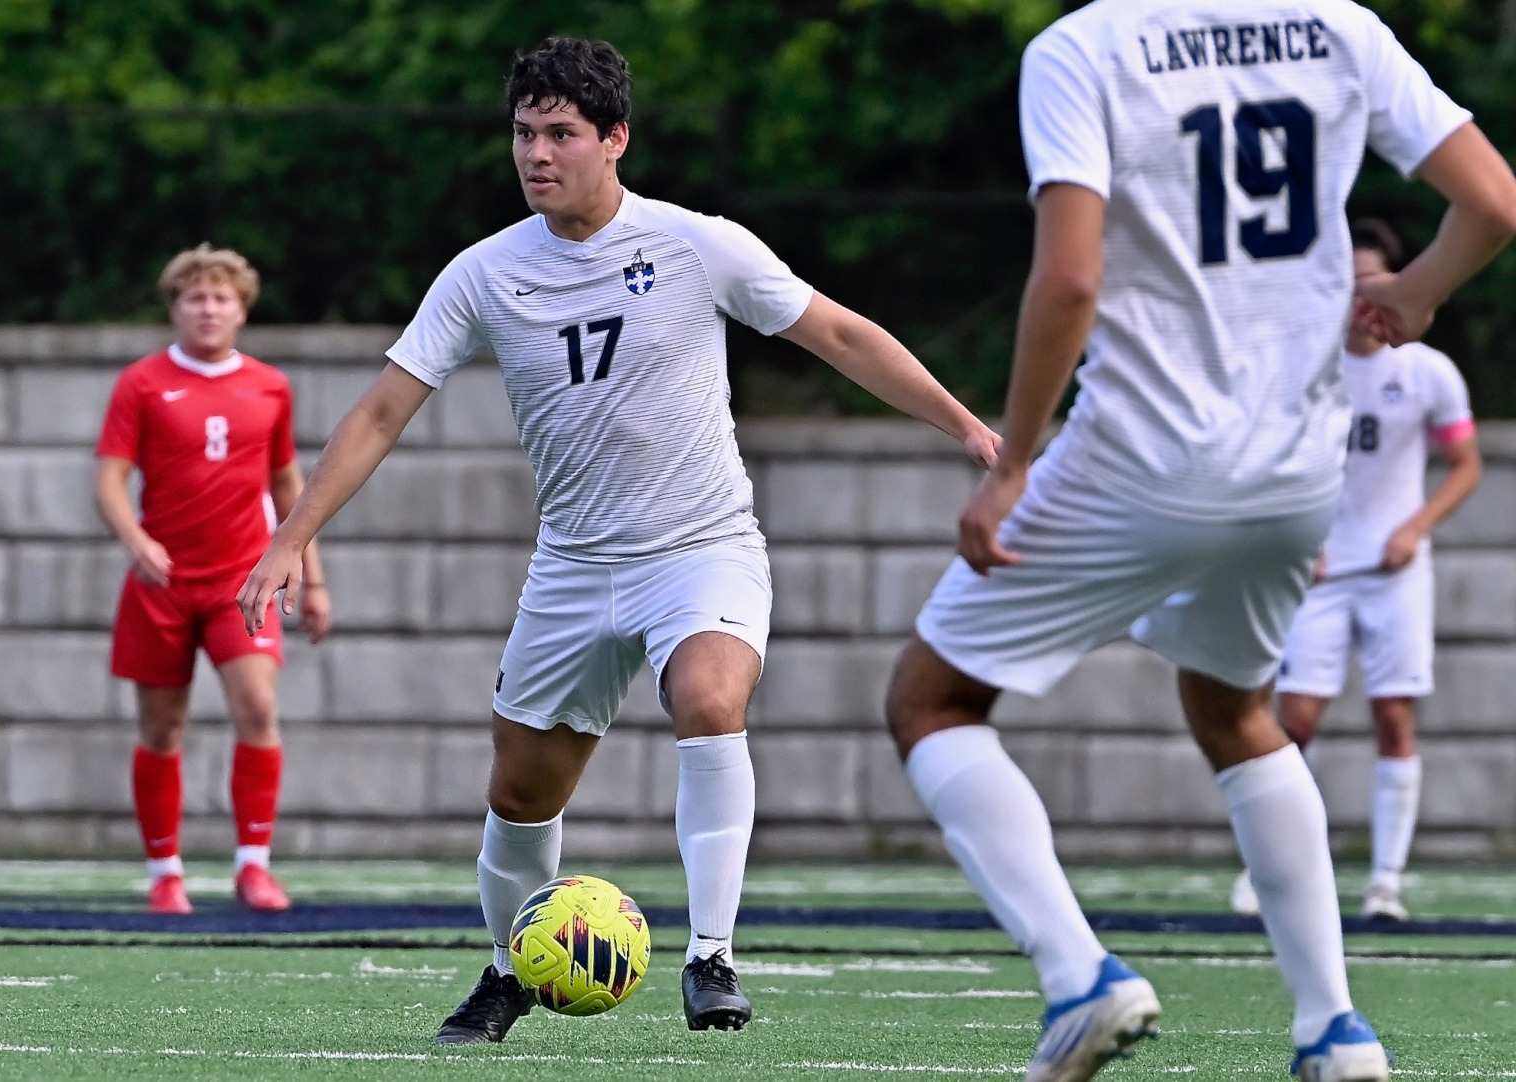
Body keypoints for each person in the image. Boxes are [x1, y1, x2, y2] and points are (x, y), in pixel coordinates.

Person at [237, 37, 998, 1044]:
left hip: (702, 545)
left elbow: (842, 335)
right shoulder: (484, 273)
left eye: (560, 134)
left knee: (710, 698)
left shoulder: (698, 242)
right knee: (520, 788)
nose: (536, 153)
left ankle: (712, 954)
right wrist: (294, 532)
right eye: (523, 133)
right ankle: (507, 968)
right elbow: (382, 412)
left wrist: (970, 429)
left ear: (615, 139)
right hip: (574, 564)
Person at [879, 2, 1516, 1079]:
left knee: (930, 698)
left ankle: (1079, 975)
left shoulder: (1082, 46)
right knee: (1236, 708)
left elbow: (1072, 277)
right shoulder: (1339, 28)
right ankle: (1335, 1029)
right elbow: (1493, 201)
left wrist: (1016, 460)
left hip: (1141, 451)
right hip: (1297, 471)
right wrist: (1416, 292)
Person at [1230, 219, 1482, 924]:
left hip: (1396, 571)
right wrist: (1297, 539)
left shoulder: (1427, 371)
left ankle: (1385, 883)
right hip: (1318, 569)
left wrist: (1412, 528)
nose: (1361, 297)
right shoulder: (1303, 366)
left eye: (1374, 281)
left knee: (1393, 718)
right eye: (1349, 282)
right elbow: (1269, 457)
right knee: (1293, 721)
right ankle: (1266, 870)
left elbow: (1465, 464)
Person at [95, 244, 332, 916]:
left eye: (220, 297)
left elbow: (287, 483)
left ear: (241, 310)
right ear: (175, 308)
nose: (208, 308)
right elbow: (108, 476)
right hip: (162, 583)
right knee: (162, 728)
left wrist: (310, 578)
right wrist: (135, 540)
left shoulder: (269, 386)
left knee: (258, 708)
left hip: (242, 580)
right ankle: (165, 871)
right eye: (195, 297)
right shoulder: (141, 383)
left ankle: (253, 866)